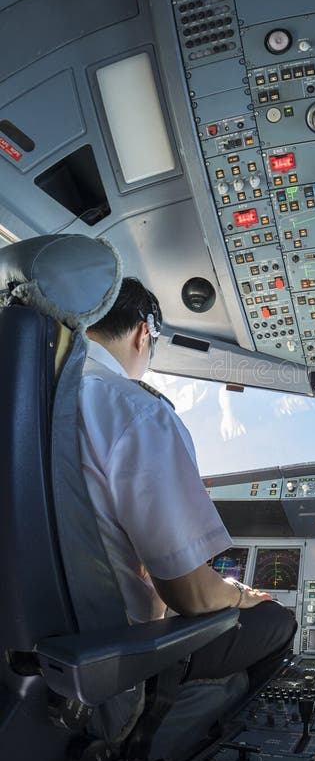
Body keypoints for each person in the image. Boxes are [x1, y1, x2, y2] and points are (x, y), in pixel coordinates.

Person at [78, 277, 296, 686]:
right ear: (144, 333)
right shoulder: (136, 411)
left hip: (37, 642)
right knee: (277, 620)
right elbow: (191, 595)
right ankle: (163, 736)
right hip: (111, 656)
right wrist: (238, 594)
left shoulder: (39, 392)